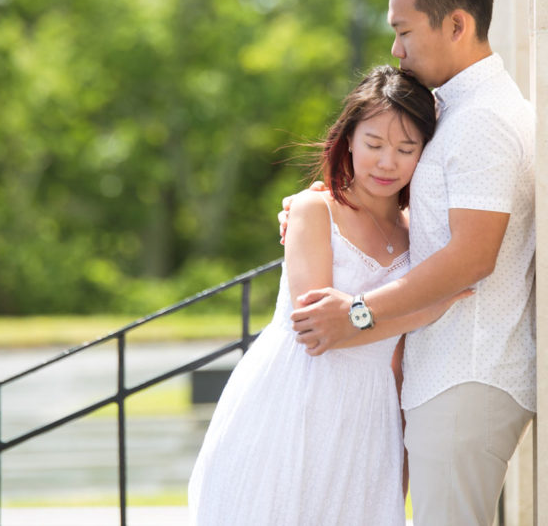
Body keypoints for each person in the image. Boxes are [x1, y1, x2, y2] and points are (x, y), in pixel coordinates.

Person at [286, 0, 536, 526]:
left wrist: (358, 313)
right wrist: (318, 209)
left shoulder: (482, 122)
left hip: (466, 375)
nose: (395, 50)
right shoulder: (460, 111)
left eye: (404, 31)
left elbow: (472, 256)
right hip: (451, 376)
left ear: (457, 25)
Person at [188, 66, 466, 526]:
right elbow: (318, 330)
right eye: (374, 145)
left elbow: (397, 362)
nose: (386, 162)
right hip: (293, 398)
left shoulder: (421, 234)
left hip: (369, 413)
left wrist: (397, 460)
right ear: (349, 140)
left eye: (406, 149)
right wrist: (427, 308)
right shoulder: (314, 209)